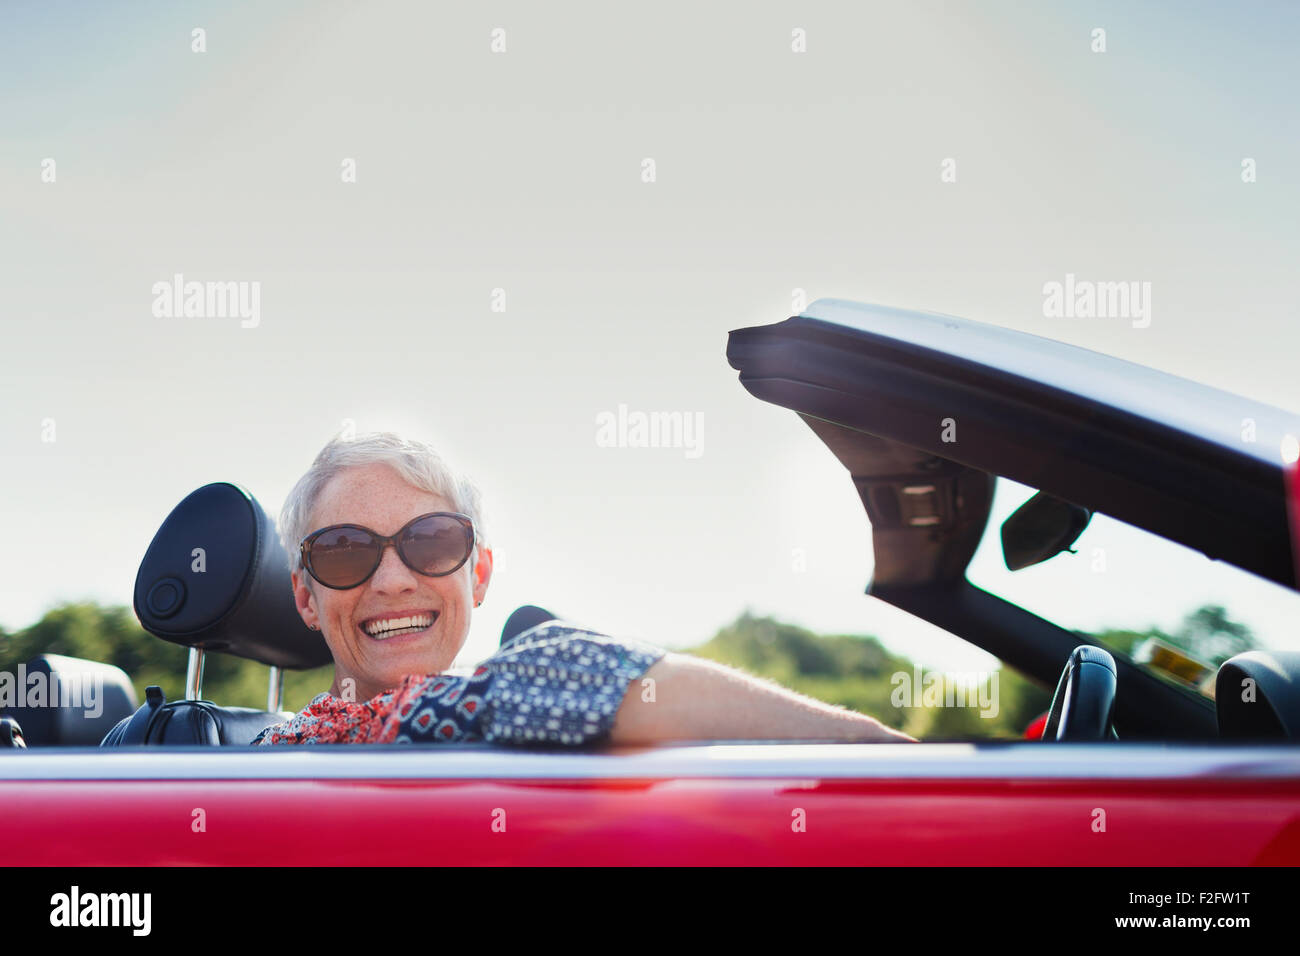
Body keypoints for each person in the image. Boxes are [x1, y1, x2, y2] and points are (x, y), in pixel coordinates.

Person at [252, 431, 915, 746]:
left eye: (431, 542)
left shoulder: (254, 751)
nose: (394, 580)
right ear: (306, 598)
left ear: (477, 574)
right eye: (345, 552)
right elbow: (549, 676)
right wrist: (893, 756)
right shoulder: (309, 743)